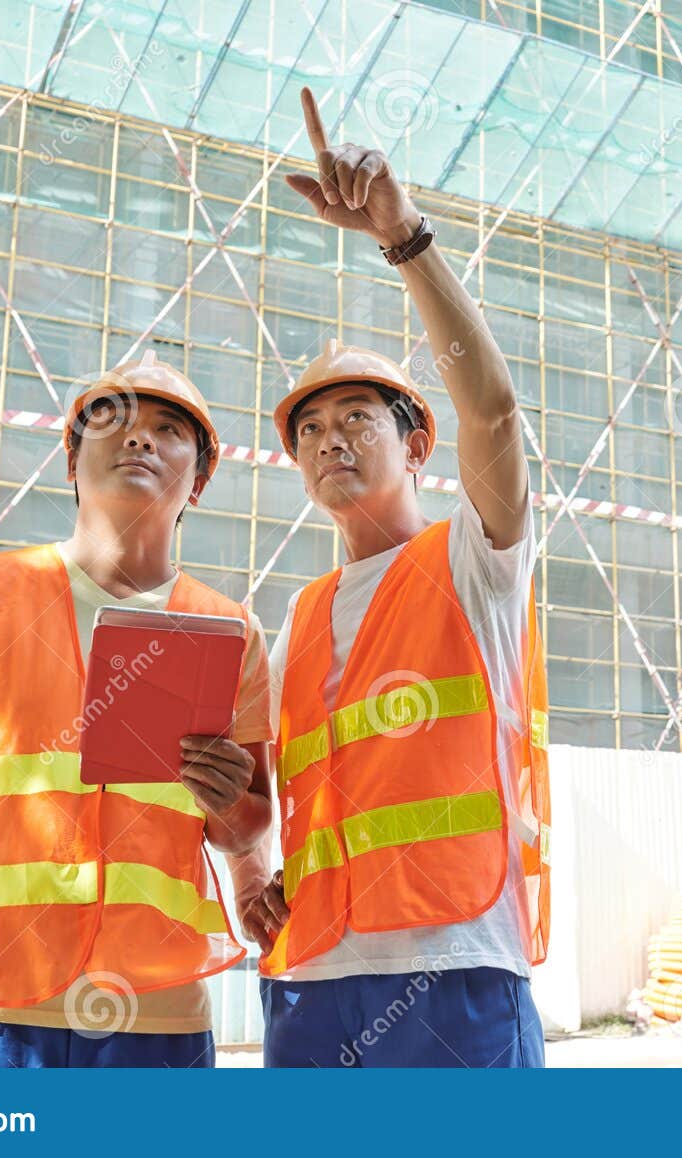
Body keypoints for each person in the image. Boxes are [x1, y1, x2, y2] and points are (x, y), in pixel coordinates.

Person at [229, 86, 551, 1068]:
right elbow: (266, 802)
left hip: (455, 970)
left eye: (356, 421)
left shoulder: (472, 561)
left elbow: (492, 414)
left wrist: (402, 234)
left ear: (416, 448)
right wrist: (244, 862)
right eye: (311, 432)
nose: (330, 442)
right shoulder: (294, 618)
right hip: (310, 977)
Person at [0, 352, 274, 1068]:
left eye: (169, 427)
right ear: (71, 458)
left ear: (200, 481)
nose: (140, 438)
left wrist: (229, 800)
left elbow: (248, 823)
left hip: (159, 1015)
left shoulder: (230, 628)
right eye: (113, 420)